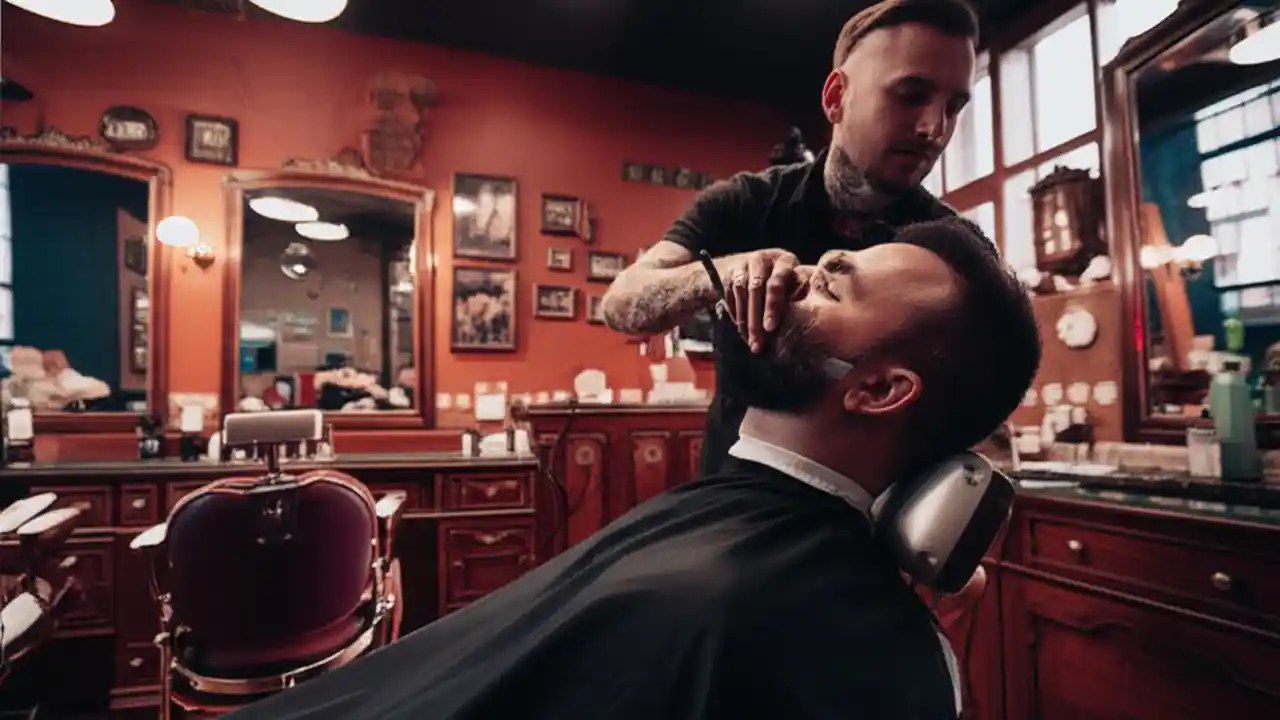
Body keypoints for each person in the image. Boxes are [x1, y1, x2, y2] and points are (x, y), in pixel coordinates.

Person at [223, 217, 1040, 720]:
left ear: (882, 389)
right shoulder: (737, 542)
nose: (787, 271)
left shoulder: (740, 608)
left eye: (831, 282)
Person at [602, 0, 982, 477]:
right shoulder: (746, 204)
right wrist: (726, 274)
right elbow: (620, 304)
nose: (934, 128)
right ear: (836, 97)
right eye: (909, 95)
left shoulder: (952, 246)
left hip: (877, 513)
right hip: (738, 493)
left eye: (954, 106)